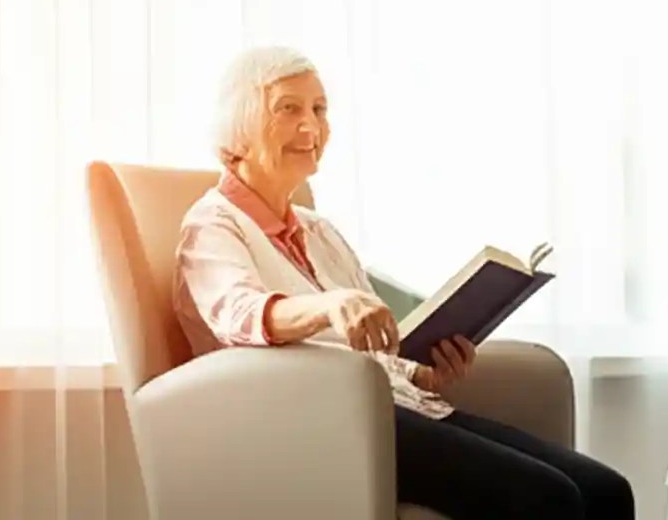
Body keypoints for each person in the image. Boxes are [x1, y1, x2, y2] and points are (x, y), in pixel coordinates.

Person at [173, 45, 634, 519]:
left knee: (607, 492)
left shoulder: (318, 231)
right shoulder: (212, 225)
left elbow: (375, 349)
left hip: (395, 407)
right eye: (288, 109)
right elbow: (239, 313)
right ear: (240, 127)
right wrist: (330, 305)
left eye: (319, 109)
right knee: (549, 500)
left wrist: (422, 370)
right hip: (317, 422)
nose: (311, 127)